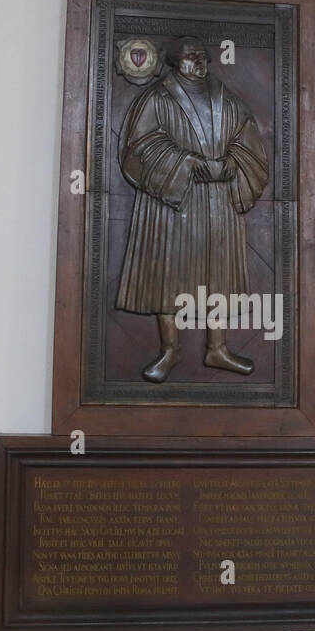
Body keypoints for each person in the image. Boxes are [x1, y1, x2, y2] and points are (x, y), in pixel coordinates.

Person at [115, 35, 270, 382]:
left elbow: (248, 142)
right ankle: (170, 350)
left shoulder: (225, 100)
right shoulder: (156, 98)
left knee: (218, 275)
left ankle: (218, 348)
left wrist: (232, 163)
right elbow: (140, 145)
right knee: (166, 275)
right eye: (189, 57)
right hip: (171, 202)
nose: (198, 62)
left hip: (217, 201)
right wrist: (186, 164)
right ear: (173, 61)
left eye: (202, 56)